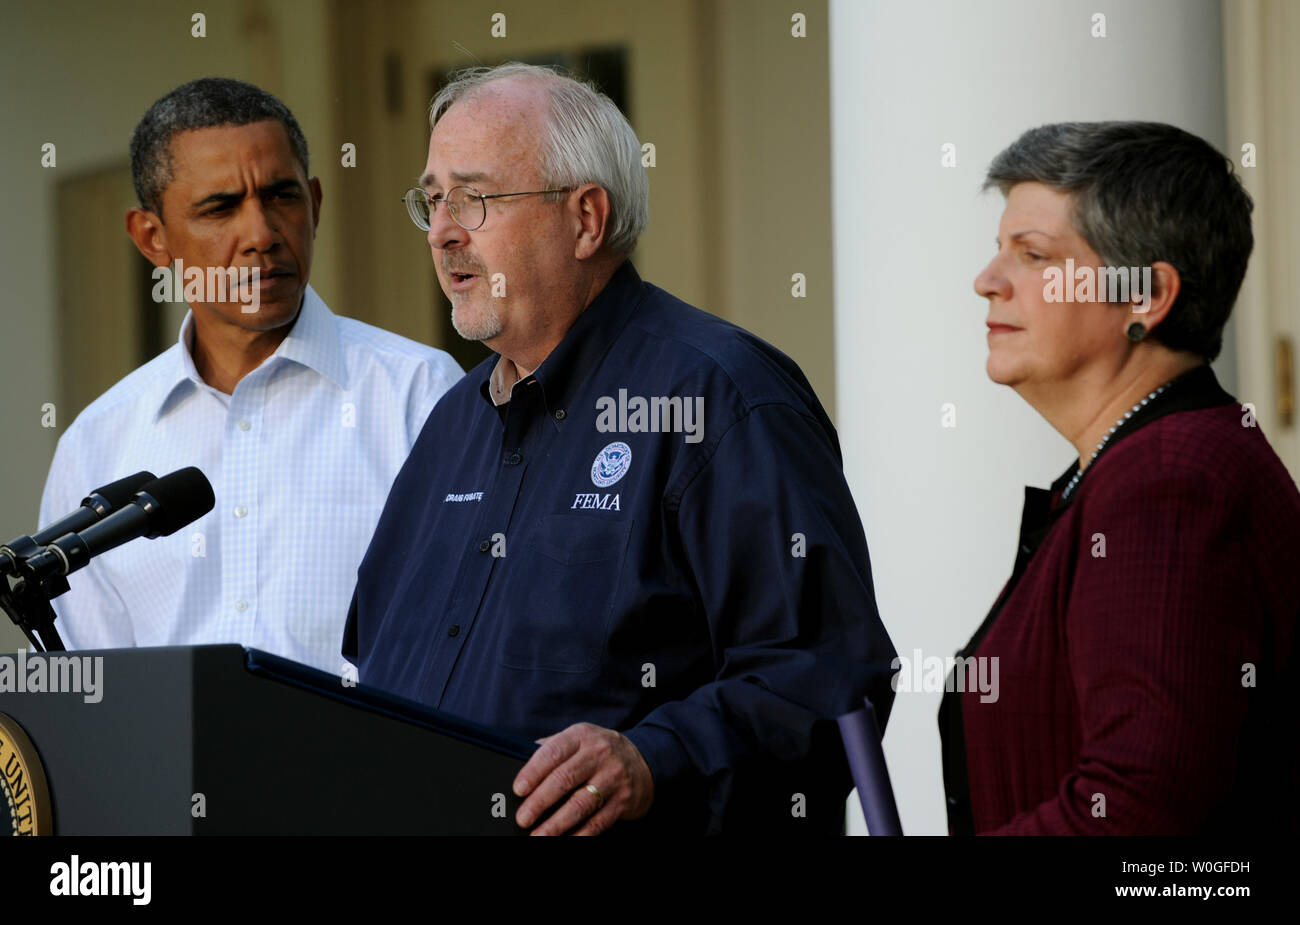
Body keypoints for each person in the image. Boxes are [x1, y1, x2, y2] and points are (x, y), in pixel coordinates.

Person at [342, 62, 896, 835]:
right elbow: (377, 672)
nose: (442, 230)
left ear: (586, 219)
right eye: (432, 200)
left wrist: (652, 759)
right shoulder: (450, 426)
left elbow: (831, 677)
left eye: (473, 197)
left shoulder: (719, 396)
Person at [943, 121, 1300, 834]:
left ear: (1146, 296)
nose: (986, 281)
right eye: (998, 251)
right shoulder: (1152, 462)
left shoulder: (1169, 485)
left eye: (1033, 255)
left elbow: (1138, 812)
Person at [39, 78, 462, 675]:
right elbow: (94, 692)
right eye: (220, 207)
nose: (262, 235)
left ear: (315, 204)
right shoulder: (95, 446)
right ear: (151, 237)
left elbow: (463, 649)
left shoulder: (421, 395)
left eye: (281, 196)